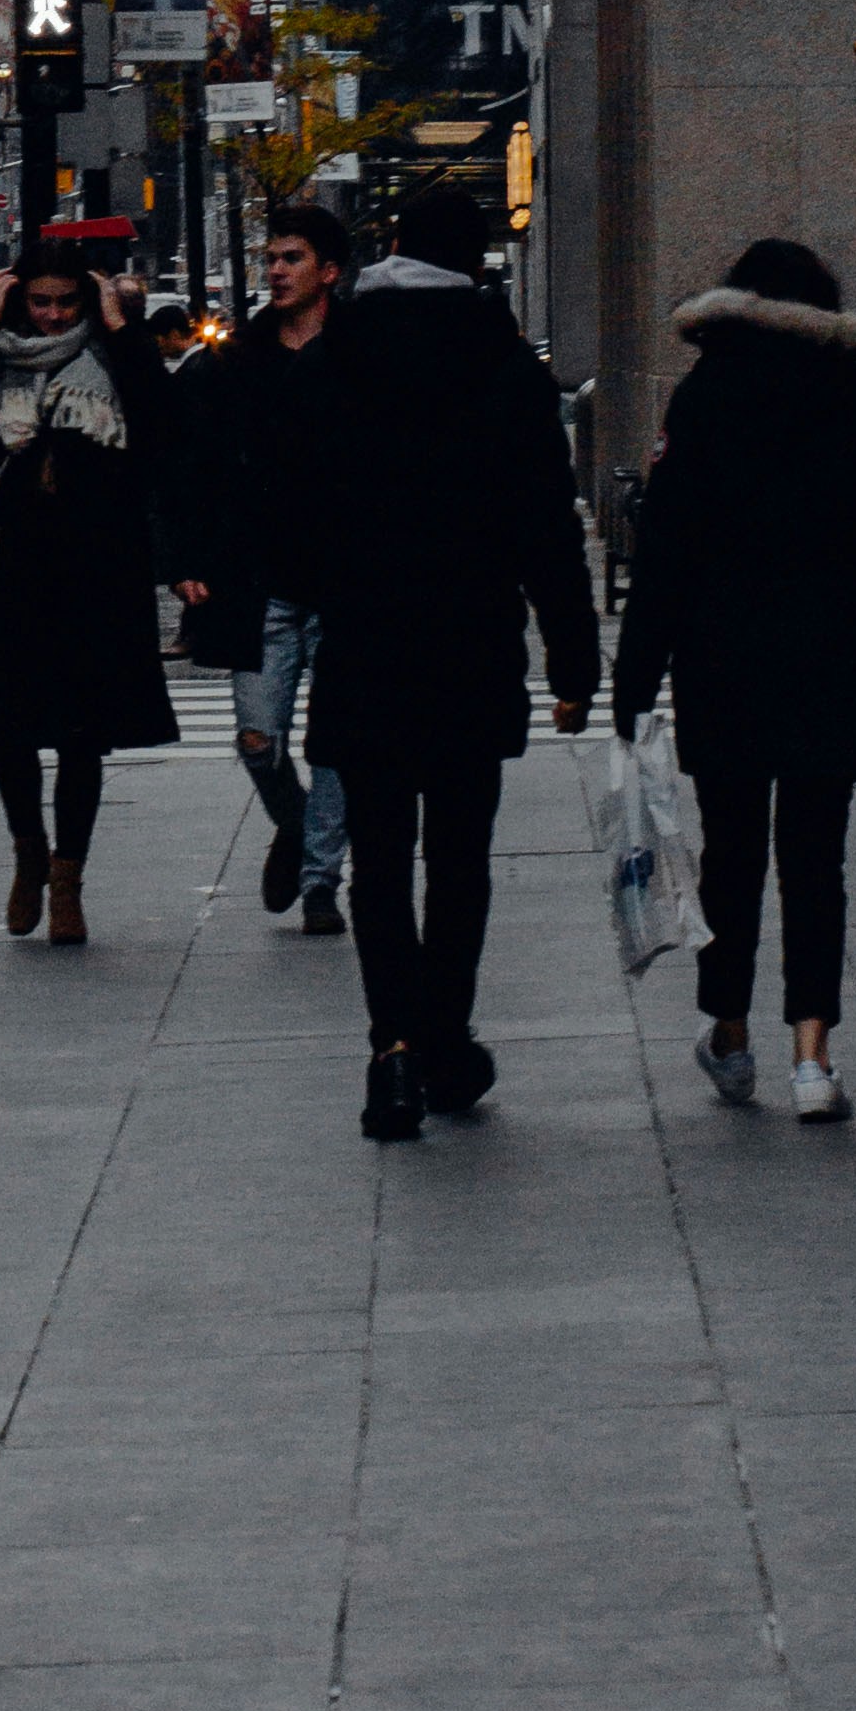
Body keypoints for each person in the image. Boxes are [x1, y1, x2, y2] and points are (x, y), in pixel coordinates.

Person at [613, 237, 856, 1124]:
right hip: (829, 646)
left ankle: (731, 1033)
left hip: (724, 652)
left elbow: (664, 553)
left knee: (735, 854)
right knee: (817, 860)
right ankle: (813, 1057)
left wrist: (634, 682)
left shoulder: (704, 395)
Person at [312, 182, 597, 1141]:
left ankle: (390, 1048)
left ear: (392, 247)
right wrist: (572, 658)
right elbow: (546, 526)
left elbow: (290, 493)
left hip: (365, 636)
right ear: (474, 259)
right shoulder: (506, 363)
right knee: (461, 855)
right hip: (470, 638)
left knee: (380, 856)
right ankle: (445, 1034)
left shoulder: (340, 349)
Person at [0, 244, 178, 948]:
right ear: (20, 299)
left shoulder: (115, 356)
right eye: (41, 301)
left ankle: (68, 879)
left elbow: (163, 415)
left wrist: (122, 329)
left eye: (67, 302)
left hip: (100, 571)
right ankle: (29, 851)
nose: (54, 313)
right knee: (10, 731)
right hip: (19, 571)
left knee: (83, 738)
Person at [169, 204, 362, 938]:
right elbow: (188, 465)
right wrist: (186, 560)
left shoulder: (360, 355)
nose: (276, 270)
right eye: (271, 257)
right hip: (260, 581)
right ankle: (298, 824)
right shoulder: (232, 362)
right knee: (258, 738)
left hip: (343, 580)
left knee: (335, 741)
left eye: (292, 258)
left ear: (330, 272)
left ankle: (320, 883)